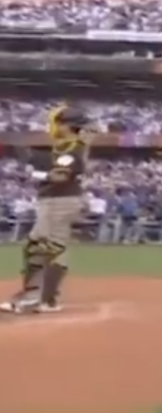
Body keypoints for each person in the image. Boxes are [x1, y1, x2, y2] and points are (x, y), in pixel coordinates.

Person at [2, 105, 92, 314]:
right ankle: (47, 299)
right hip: (58, 201)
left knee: (40, 247)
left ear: (68, 125)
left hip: (58, 202)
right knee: (53, 248)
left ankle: (33, 298)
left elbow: (60, 177)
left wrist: (34, 175)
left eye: (58, 122)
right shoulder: (67, 147)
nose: (54, 126)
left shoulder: (72, 148)